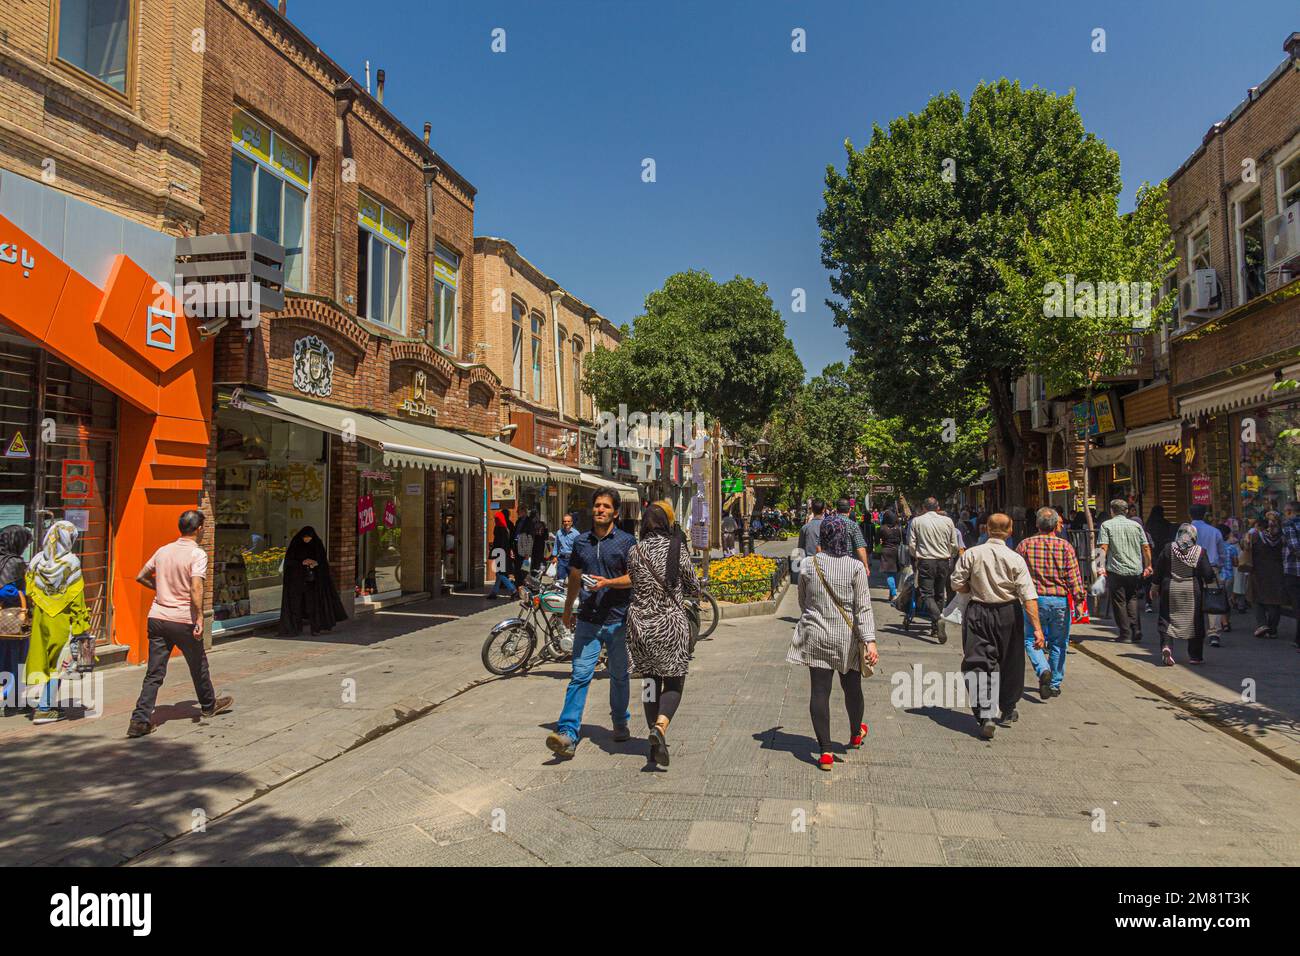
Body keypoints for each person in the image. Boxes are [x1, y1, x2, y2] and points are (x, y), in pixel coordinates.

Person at [589, 502, 697, 768]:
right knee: (673, 682)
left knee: (650, 681)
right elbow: (692, 584)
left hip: (640, 625)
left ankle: (652, 736)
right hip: (670, 623)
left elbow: (633, 581)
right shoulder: (676, 548)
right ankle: (659, 727)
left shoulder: (635, 551)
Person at [547, 489, 635, 759]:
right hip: (588, 620)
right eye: (597, 505)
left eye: (606, 506)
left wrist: (607, 583)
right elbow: (574, 577)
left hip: (618, 619)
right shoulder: (581, 542)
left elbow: (635, 577)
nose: (600, 510)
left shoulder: (627, 541)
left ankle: (620, 722)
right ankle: (567, 733)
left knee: (619, 676)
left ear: (615, 512)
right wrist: (567, 611)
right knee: (579, 676)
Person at [128, 511, 233, 737]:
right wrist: (199, 617)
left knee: (154, 672)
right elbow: (196, 587)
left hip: (157, 617)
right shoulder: (197, 554)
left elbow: (141, 576)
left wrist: (159, 588)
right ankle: (208, 705)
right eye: (203, 527)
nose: (204, 530)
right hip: (182, 619)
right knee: (198, 664)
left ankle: (139, 719)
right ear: (197, 529)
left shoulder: (163, 550)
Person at [786, 514, 878, 772]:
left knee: (819, 691)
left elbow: (803, 601)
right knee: (852, 688)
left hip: (815, 635)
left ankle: (825, 750)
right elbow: (864, 608)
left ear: (823, 537)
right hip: (846, 638)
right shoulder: (855, 567)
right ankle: (855, 733)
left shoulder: (807, 564)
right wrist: (870, 641)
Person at [950, 513, 1045, 740]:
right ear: (1010, 530)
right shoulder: (1015, 558)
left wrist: (972, 588)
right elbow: (1028, 596)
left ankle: (986, 714)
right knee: (1011, 661)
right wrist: (1037, 628)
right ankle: (1008, 706)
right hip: (1008, 613)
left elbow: (956, 583)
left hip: (979, 612)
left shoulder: (972, 554)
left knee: (978, 662)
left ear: (986, 529)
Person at [1016, 508, 1084, 699]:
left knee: (1030, 639)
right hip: (1059, 600)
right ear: (1056, 525)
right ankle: (1054, 683)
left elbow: (1015, 572)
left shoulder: (1025, 545)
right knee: (1059, 643)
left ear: (1037, 525)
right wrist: (1079, 600)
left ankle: (1043, 668)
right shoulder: (1066, 547)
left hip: (1033, 600)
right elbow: (1074, 576)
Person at [1150, 523, 1217, 667]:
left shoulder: (1169, 548)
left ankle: (1167, 646)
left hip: (1170, 589)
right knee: (1195, 622)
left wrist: (1154, 586)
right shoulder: (1200, 552)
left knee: (1166, 619)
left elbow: (1159, 569)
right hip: (1192, 591)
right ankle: (1195, 656)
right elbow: (1208, 575)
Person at [907, 497, 963, 644]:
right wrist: (949, 555)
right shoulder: (948, 521)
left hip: (926, 560)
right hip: (944, 561)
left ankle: (937, 619)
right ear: (938, 507)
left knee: (926, 593)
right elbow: (954, 544)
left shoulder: (917, 521)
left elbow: (911, 545)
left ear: (924, 508)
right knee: (939, 593)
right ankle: (935, 627)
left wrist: (916, 556)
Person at [1098, 499, 1152, 644]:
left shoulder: (1106, 525)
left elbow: (1103, 547)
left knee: (1119, 601)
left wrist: (1100, 566)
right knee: (1132, 598)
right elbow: (1146, 547)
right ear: (1126, 511)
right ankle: (1136, 629)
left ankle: (1125, 633)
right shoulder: (1136, 525)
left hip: (1116, 569)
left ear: (1112, 511)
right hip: (1135, 569)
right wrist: (1148, 565)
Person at [278, 526, 347, 635]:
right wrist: (302, 562)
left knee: (313, 606)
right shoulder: (295, 544)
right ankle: (294, 628)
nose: (306, 540)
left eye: (309, 538)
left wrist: (315, 563)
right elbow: (289, 562)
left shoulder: (317, 544)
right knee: (295, 605)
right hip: (296, 582)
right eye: (304, 537)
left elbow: (323, 562)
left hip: (313, 582)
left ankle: (315, 628)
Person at [0, 525, 33, 718]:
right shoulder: (14, 562)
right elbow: (5, 590)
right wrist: (23, 594)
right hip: (11, 621)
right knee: (14, 660)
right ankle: (12, 701)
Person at [1247, 512, 1287, 639]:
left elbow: (1246, 549)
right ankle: (1273, 628)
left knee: (1257, 597)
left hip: (1258, 571)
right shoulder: (1283, 537)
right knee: (1275, 601)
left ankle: (1262, 624)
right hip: (1277, 572)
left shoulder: (1255, 536)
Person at [486, 511, 518, 599]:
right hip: (504, 553)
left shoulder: (499, 528)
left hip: (500, 553)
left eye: (496, 519)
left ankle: (513, 590)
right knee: (499, 574)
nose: (495, 521)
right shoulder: (506, 527)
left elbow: (499, 543)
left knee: (500, 573)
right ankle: (494, 592)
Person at [835, 498, 870, 574]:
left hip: (830, 563)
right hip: (848, 563)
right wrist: (866, 566)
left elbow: (819, 545)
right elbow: (860, 548)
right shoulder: (853, 525)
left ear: (836, 510)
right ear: (849, 510)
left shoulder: (827, 523)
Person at [1283, 501, 1300, 649]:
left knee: (1297, 605)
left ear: (1290, 512)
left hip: (1294, 570)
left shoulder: (1289, 525)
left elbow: (1294, 546)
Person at [878, 510, 903, 601]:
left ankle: (893, 593)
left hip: (886, 551)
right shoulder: (899, 528)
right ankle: (892, 594)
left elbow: (877, 540)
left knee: (889, 574)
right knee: (894, 573)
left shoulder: (882, 528)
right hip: (896, 551)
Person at [553, 513, 580, 584]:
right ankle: (559, 593)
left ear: (571, 522)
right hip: (561, 559)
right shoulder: (559, 532)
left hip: (572, 560)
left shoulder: (576, 534)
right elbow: (556, 545)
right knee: (560, 581)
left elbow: (579, 548)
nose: (566, 523)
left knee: (573, 581)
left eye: (568, 521)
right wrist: (555, 556)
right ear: (562, 522)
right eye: (565, 521)